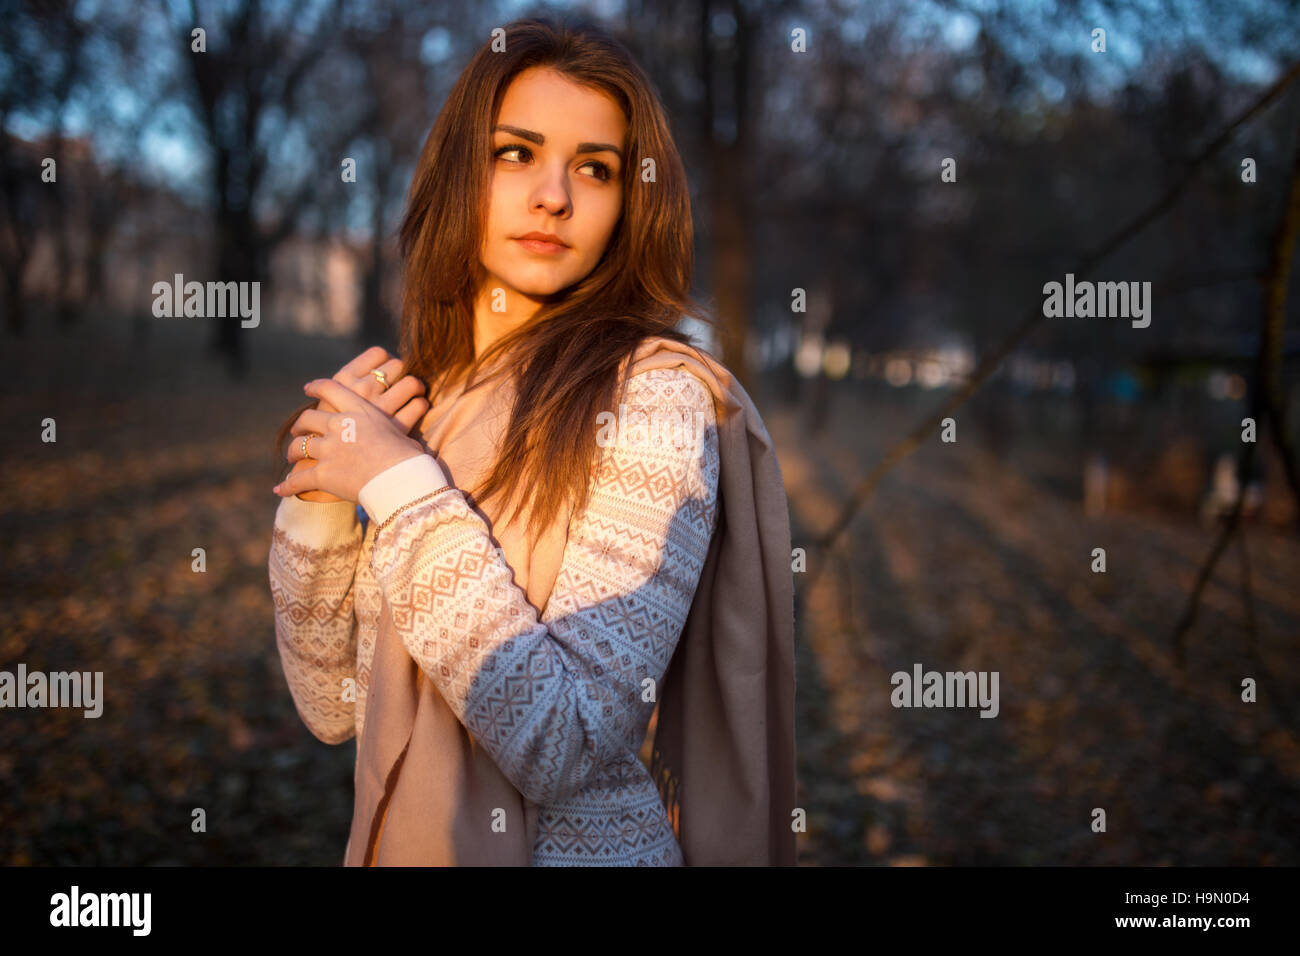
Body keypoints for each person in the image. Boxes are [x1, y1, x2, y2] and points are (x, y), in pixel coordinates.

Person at [267, 16, 796, 866]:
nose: (554, 195)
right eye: (516, 153)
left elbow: (565, 743)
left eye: (595, 168)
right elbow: (336, 707)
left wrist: (400, 487)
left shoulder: (653, 400)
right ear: (458, 172)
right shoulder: (433, 403)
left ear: (630, 203)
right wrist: (327, 500)